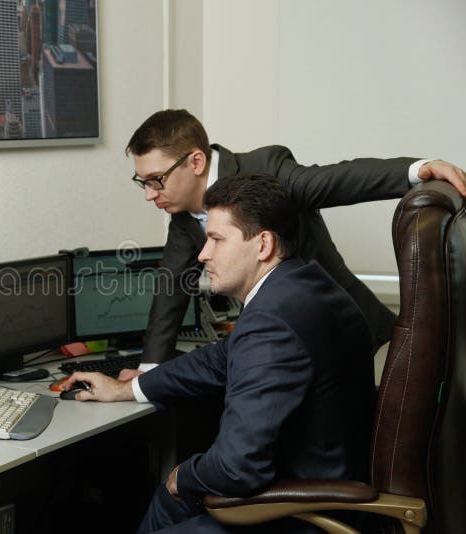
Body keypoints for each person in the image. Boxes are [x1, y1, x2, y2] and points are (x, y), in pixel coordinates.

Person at [62, 174, 376, 533]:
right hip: (329, 480)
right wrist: (127, 388)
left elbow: (237, 467)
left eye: (216, 239)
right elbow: (219, 358)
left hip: (306, 511)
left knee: (175, 490)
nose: (202, 254)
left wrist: (184, 474)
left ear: (263, 245)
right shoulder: (303, 286)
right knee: (168, 499)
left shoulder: (272, 322)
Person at [126, 109, 466, 370]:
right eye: (143, 183)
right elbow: (171, 287)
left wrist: (418, 169)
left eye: (156, 180)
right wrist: (148, 371)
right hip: (279, 347)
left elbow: (338, 180)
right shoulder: (182, 214)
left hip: (351, 336)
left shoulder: (265, 169)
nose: (149, 195)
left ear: (196, 162)